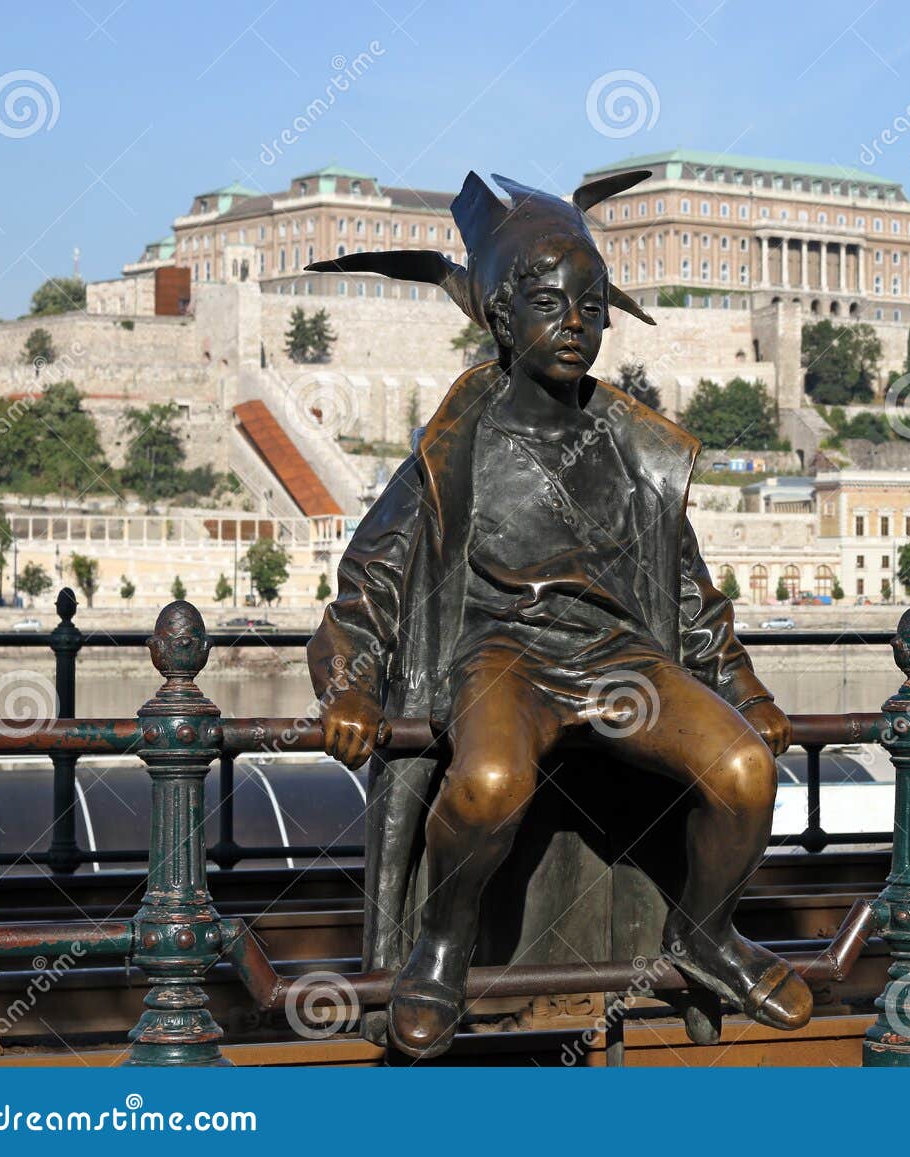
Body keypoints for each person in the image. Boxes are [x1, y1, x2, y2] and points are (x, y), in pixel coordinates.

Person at [304, 170, 810, 1058]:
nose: (574, 322)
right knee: (489, 782)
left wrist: (741, 685)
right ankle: (443, 946)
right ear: (502, 319)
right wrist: (347, 687)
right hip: (502, 655)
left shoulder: (632, 449)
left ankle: (703, 934)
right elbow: (369, 586)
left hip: (621, 661)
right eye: (548, 303)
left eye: (590, 305)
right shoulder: (456, 446)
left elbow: (691, 594)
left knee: (743, 770)